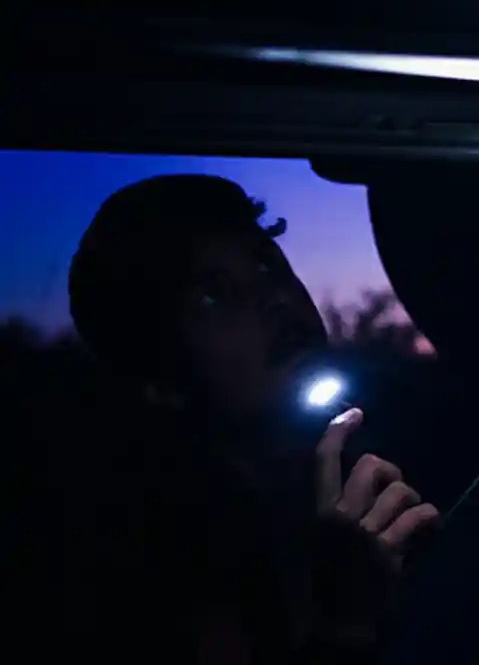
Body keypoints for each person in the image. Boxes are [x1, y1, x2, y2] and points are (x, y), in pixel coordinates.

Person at [65, 174, 439, 663]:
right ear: (157, 372)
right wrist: (346, 627)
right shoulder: (152, 578)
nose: (270, 297)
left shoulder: (424, 439)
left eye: (267, 265)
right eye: (211, 295)